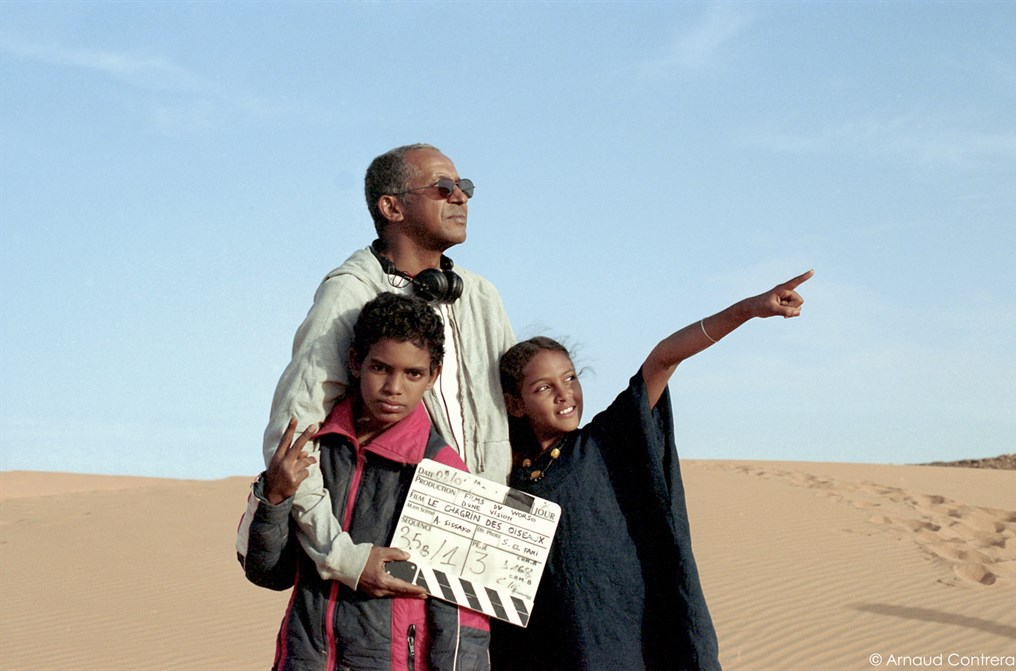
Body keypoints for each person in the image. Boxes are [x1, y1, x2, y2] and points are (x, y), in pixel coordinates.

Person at [489, 270, 814, 671]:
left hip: (629, 648)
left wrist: (748, 309)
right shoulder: (503, 477)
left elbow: (663, 358)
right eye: (543, 387)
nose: (565, 393)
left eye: (570, 378)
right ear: (516, 404)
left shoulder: (603, 443)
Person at [244, 144, 516, 597]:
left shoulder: (481, 296)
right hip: (388, 559)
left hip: (484, 557)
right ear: (391, 206)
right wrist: (344, 557)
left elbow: (519, 409)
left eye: (464, 187)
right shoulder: (349, 293)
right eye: (444, 188)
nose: (461, 198)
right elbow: (291, 438)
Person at [238, 293, 490, 671]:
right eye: (380, 368)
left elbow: (462, 622)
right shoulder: (318, 449)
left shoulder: (445, 471)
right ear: (356, 362)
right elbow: (266, 572)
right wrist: (274, 498)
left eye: (413, 373)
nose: (394, 387)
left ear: (433, 375)